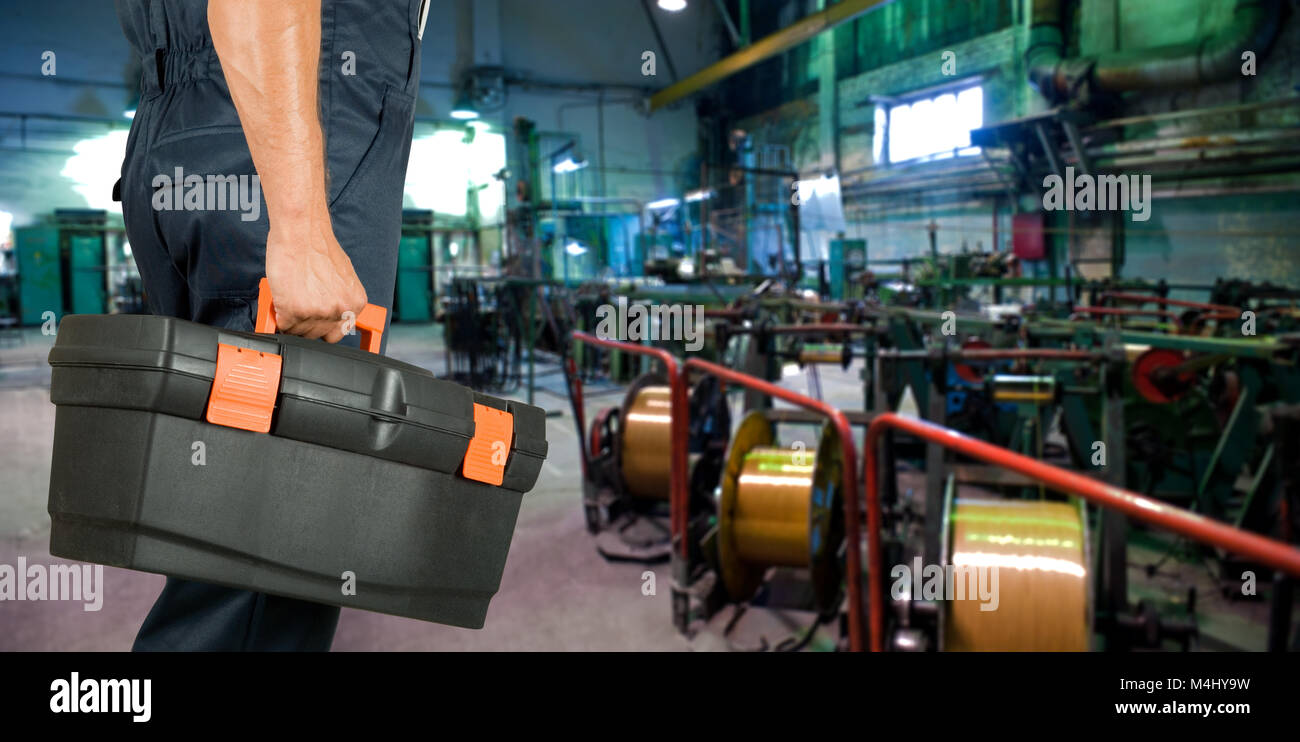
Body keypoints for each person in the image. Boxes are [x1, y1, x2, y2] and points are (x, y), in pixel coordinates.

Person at [113, 0, 428, 650]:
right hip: (299, 107)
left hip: (187, 111)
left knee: (229, 535)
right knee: (271, 559)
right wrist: (302, 225)